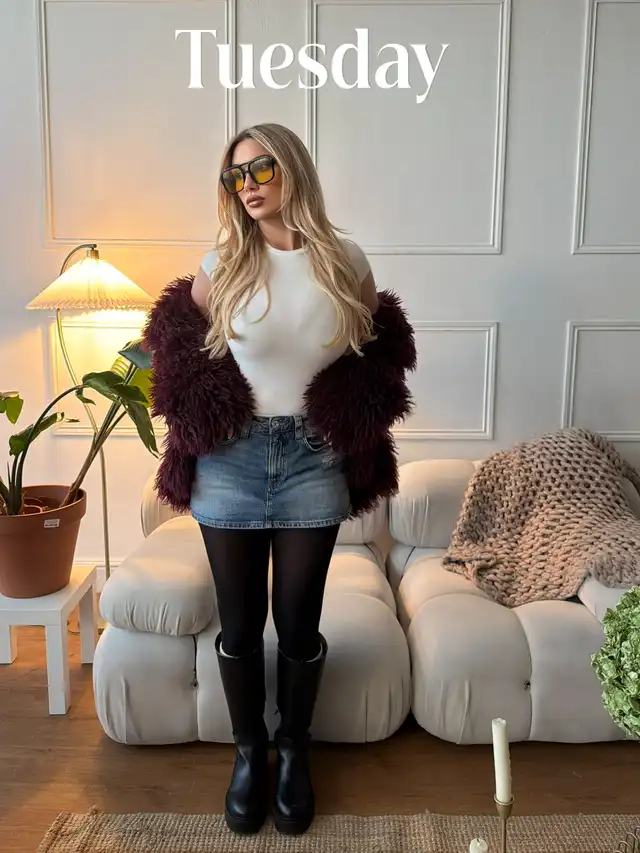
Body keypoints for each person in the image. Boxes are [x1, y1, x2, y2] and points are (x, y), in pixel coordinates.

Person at [142, 122, 416, 836]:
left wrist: (350, 416)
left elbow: (377, 356)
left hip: (311, 458)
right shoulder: (222, 263)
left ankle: (293, 749)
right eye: (235, 175)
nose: (248, 185)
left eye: (261, 168)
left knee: (297, 623)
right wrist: (205, 418)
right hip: (231, 459)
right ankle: (249, 751)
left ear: (293, 168)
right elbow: (179, 354)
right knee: (239, 624)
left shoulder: (345, 261)